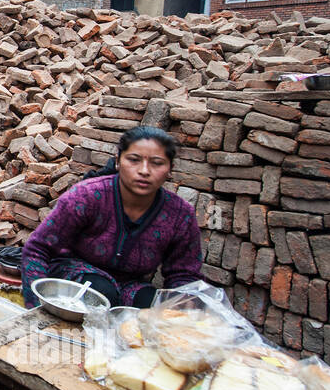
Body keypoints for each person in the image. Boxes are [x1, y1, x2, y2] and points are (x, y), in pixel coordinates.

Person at [20, 126, 203, 309]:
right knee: (99, 293)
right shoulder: (87, 196)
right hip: (73, 275)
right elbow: (37, 249)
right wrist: (38, 306)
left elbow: (184, 275)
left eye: (157, 163)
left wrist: (180, 311)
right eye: (134, 160)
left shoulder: (180, 215)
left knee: (150, 305)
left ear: (170, 169)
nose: (144, 171)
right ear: (117, 162)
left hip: (131, 285)